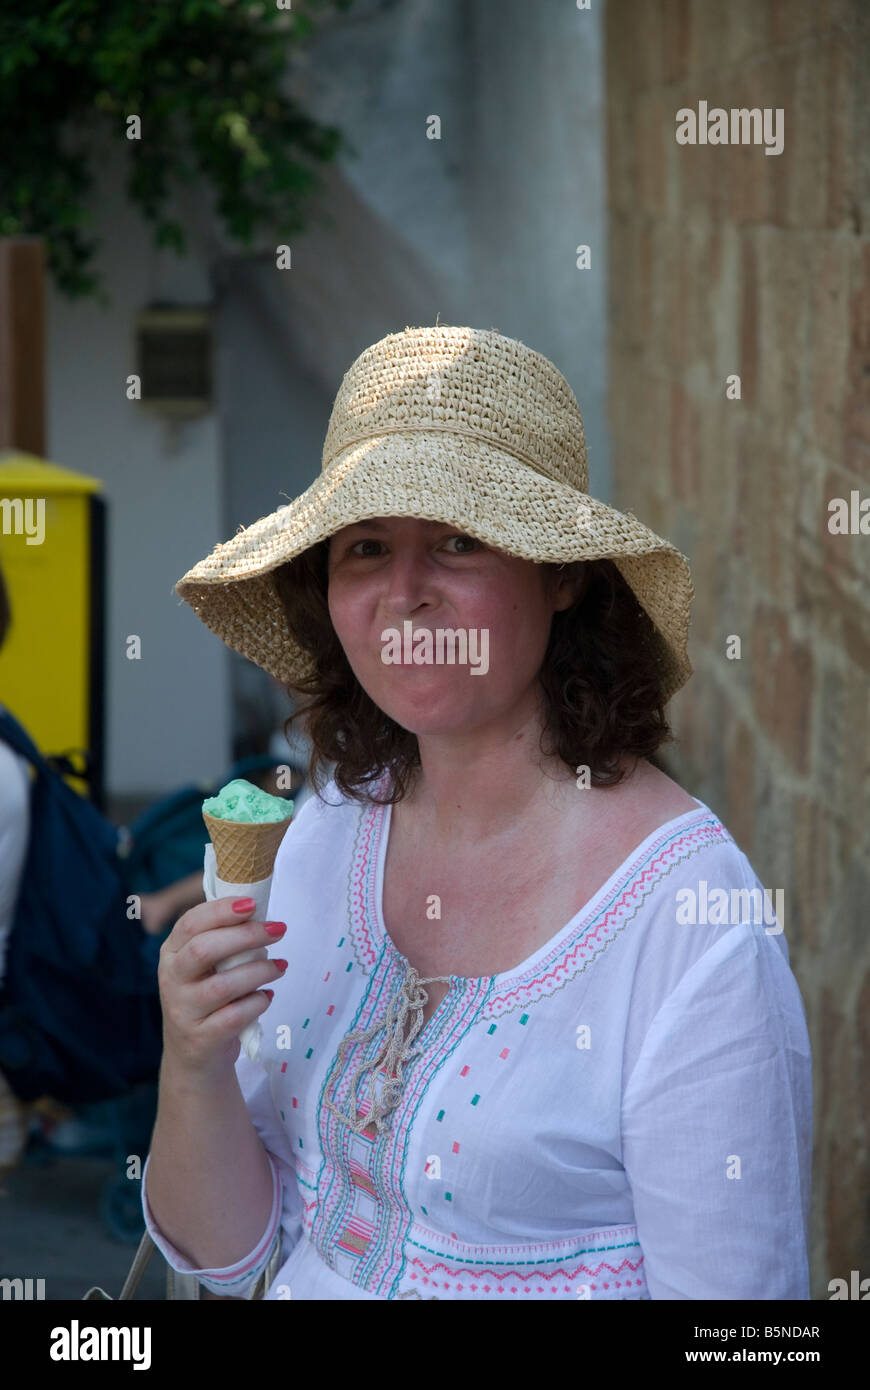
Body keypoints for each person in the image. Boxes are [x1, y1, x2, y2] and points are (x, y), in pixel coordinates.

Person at [141, 325, 812, 1300]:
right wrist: (192, 1062)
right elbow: (231, 1256)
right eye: (365, 547)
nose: (404, 596)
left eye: (458, 541)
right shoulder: (325, 834)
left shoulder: (692, 925)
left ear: (562, 572)